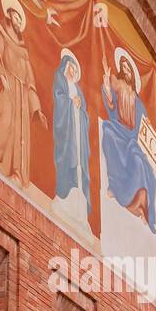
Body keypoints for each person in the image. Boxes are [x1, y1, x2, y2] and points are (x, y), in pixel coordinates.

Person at [0, 0, 47, 187]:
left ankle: (17, 172)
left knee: (21, 133)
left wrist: (36, 108)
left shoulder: (24, 50)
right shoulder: (0, 33)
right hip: (7, 83)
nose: (18, 20)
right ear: (9, 15)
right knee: (5, 118)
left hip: (22, 91)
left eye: (20, 19)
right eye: (16, 16)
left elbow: (30, 80)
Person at [100, 47, 156, 231]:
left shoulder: (138, 102)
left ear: (132, 74)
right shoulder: (118, 88)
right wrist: (108, 86)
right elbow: (110, 108)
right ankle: (114, 186)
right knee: (107, 133)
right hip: (118, 129)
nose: (125, 70)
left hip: (131, 138)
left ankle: (140, 207)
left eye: (127, 68)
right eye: (122, 67)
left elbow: (143, 129)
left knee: (139, 162)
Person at [52, 49, 91, 225]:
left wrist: (79, 108)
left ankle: (78, 204)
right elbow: (58, 98)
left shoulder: (79, 90)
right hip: (67, 132)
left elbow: (85, 115)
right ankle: (64, 197)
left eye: (75, 70)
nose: (73, 72)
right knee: (66, 159)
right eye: (71, 68)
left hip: (78, 133)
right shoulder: (60, 80)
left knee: (79, 165)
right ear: (66, 67)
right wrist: (70, 103)